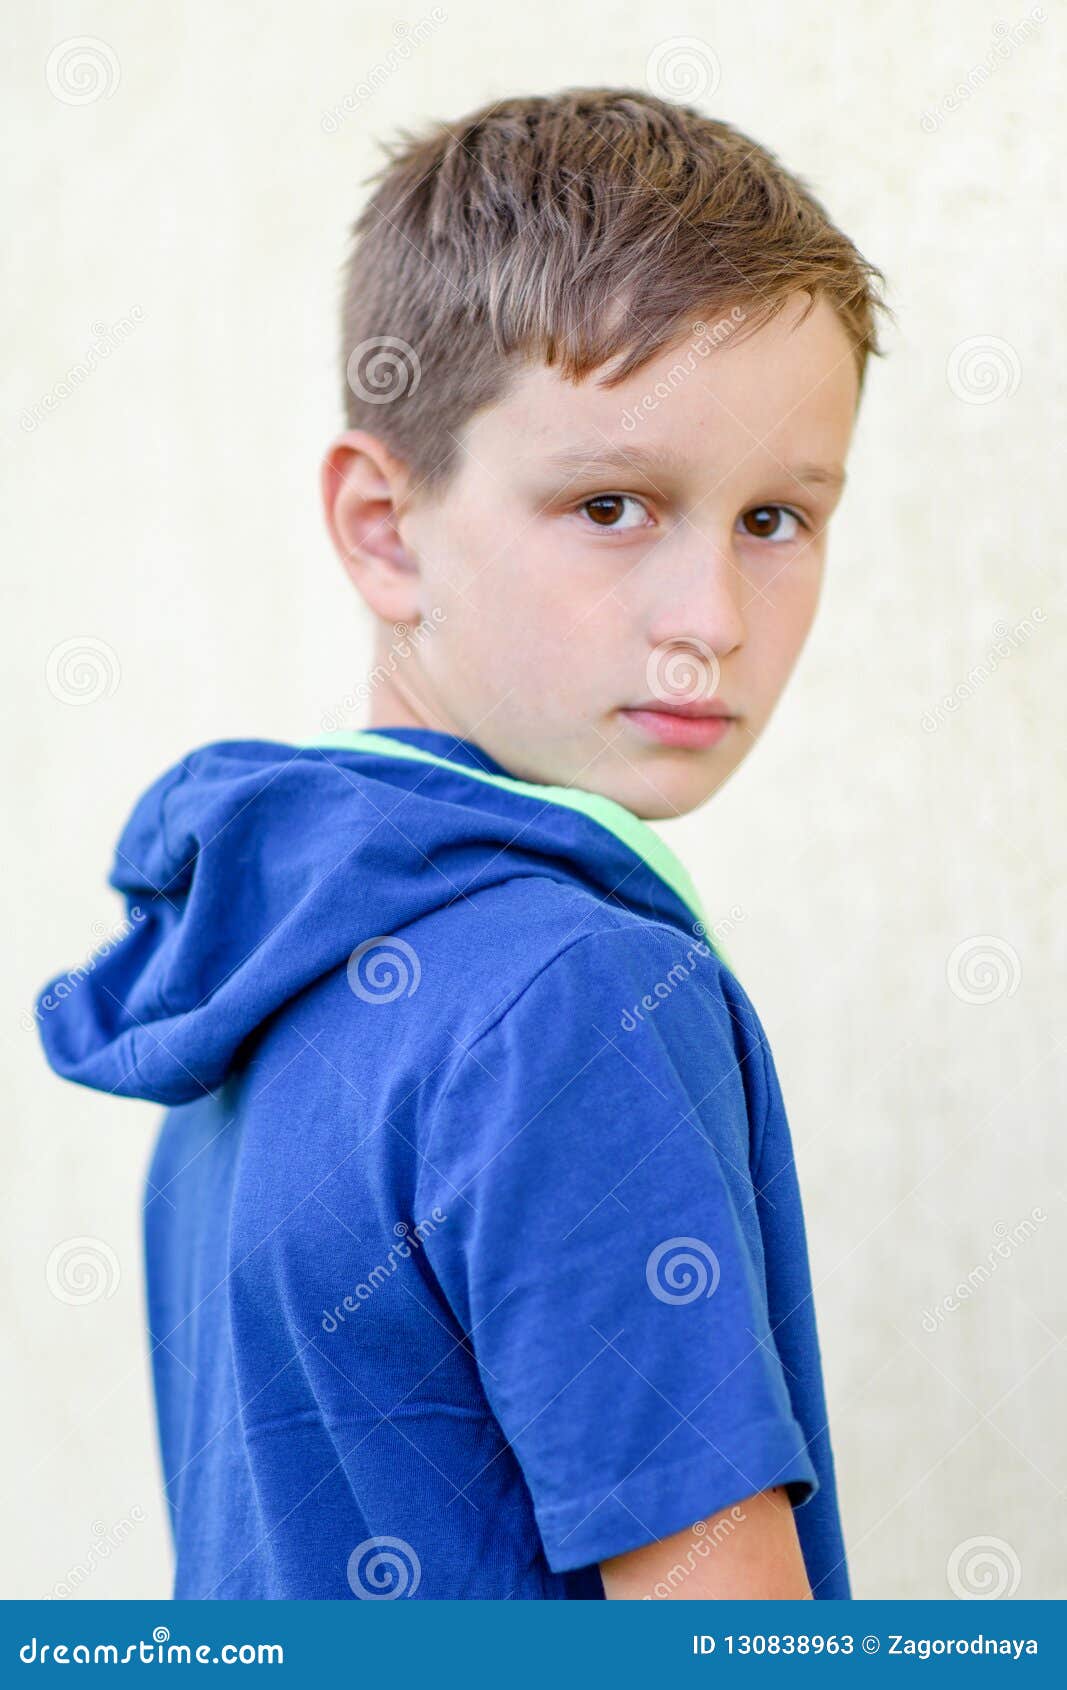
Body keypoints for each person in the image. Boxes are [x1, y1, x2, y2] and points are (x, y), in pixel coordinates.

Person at [36, 86, 890, 1600]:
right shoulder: (570, 994)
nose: (712, 621)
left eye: (776, 517)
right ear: (384, 525)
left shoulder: (251, 974)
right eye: (612, 502)